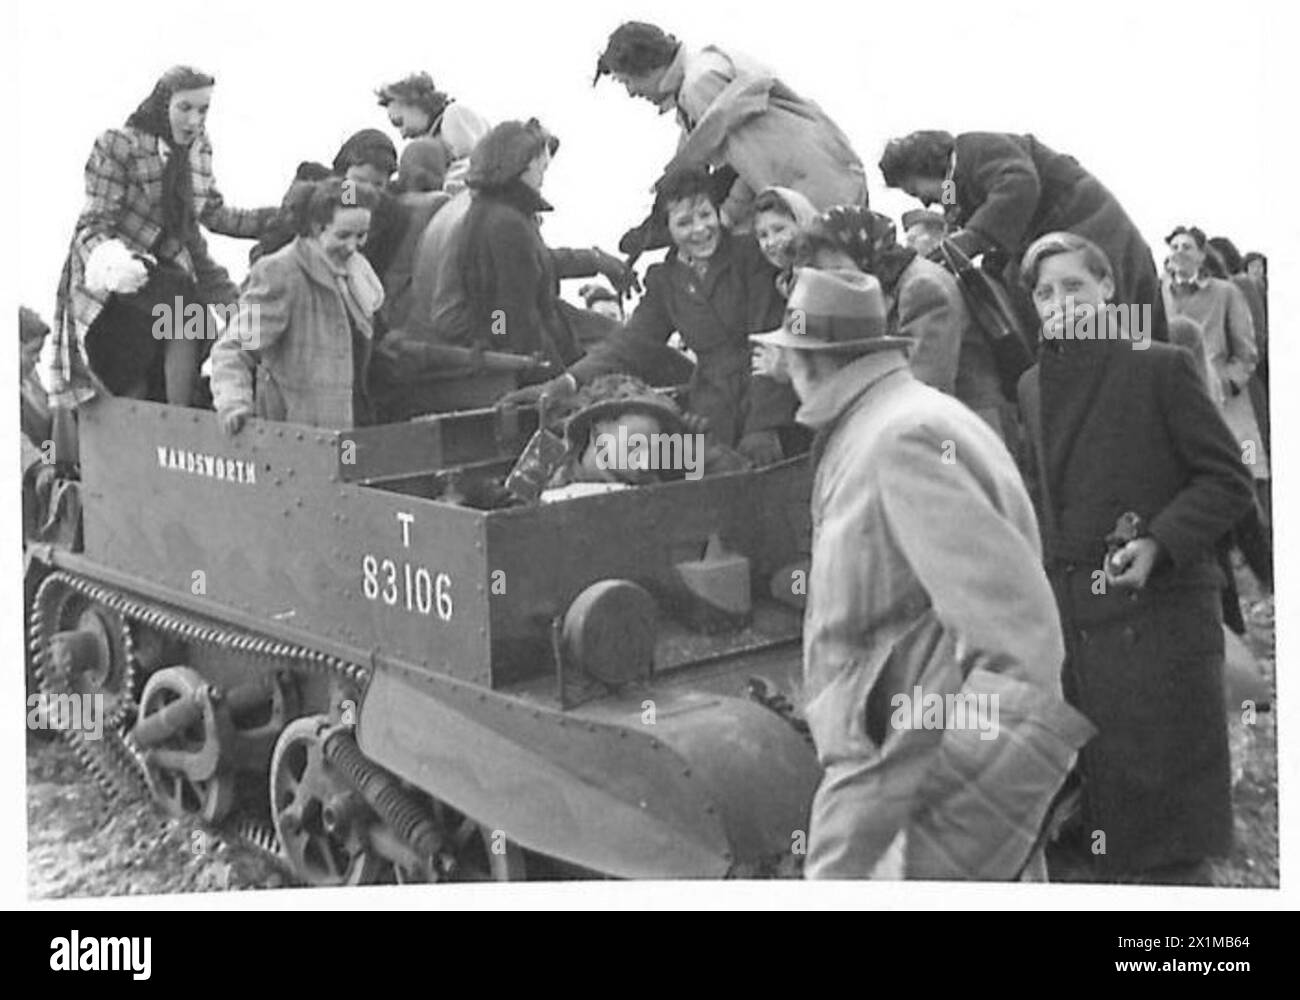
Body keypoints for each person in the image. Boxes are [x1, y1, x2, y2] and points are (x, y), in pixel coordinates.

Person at [748, 266, 1089, 879]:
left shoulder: (900, 440)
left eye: (790, 358)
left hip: (902, 796)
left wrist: (942, 845)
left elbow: (1018, 653)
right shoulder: (908, 418)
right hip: (901, 775)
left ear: (811, 362)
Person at [1017, 232, 1255, 881]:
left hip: (1163, 622)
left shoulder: (1160, 366)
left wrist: (1159, 541)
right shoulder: (1034, 387)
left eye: (1073, 286)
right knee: (1102, 815)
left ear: (1108, 289)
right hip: (1081, 627)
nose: (1060, 302)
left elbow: (1228, 480)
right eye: (1044, 292)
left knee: (1169, 832)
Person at [505, 167, 800, 463]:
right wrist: (566, 382)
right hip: (711, 413)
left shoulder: (749, 256)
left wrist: (764, 427)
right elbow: (629, 344)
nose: (699, 229)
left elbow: (770, 340)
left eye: (705, 215)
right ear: (668, 229)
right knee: (689, 477)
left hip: (768, 407)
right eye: (684, 222)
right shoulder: (665, 281)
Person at [51, 66, 278, 410]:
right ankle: (174, 417)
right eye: (185, 108)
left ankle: (184, 411)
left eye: (203, 110)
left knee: (218, 314)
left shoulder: (198, 150)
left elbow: (214, 214)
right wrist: (113, 263)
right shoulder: (119, 144)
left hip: (170, 272)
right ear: (163, 105)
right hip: (113, 285)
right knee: (174, 314)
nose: (194, 120)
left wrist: (282, 218)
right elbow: (94, 224)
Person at [878, 130, 1167, 342]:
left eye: (917, 191)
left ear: (924, 165)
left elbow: (1019, 184)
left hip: (1093, 229)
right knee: (1130, 326)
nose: (925, 204)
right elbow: (959, 210)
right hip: (1075, 241)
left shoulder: (975, 148)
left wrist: (974, 237)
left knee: (1125, 326)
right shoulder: (954, 187)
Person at [594, 21, 867, 235]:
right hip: (832, 179)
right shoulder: (704, 68)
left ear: (645, 66)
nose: (631, 93)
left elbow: (751, 163)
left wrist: (724, 219)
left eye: (627, 81)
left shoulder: (700, 86)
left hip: (816, 197)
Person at [789, 206, 1007, 440]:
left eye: (839, 270)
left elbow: (927, 381)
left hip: (963, 431)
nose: (837, 282)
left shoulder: (921, 287)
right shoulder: (888, 281)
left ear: (860, 249)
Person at [210, 178, 383, 433]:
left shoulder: (358, 275)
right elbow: (233, 348)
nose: (352, 247)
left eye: (361, 235)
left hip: (349, 431)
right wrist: (234, 404)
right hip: (298, 436)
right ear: (316, 227)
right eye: (343, 235)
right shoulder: (282, 272)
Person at [376, 72, 491, 194]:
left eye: (398, 121)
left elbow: (472, 166)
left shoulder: (453, 115)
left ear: (414, 102)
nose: (402, 134)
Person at [751, 187, 818, 297]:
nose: (771, 242)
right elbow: (800, 314)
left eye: (779, 229)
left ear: (801, 223)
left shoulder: (830, 272)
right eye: (763, 235)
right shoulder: (785, 283)